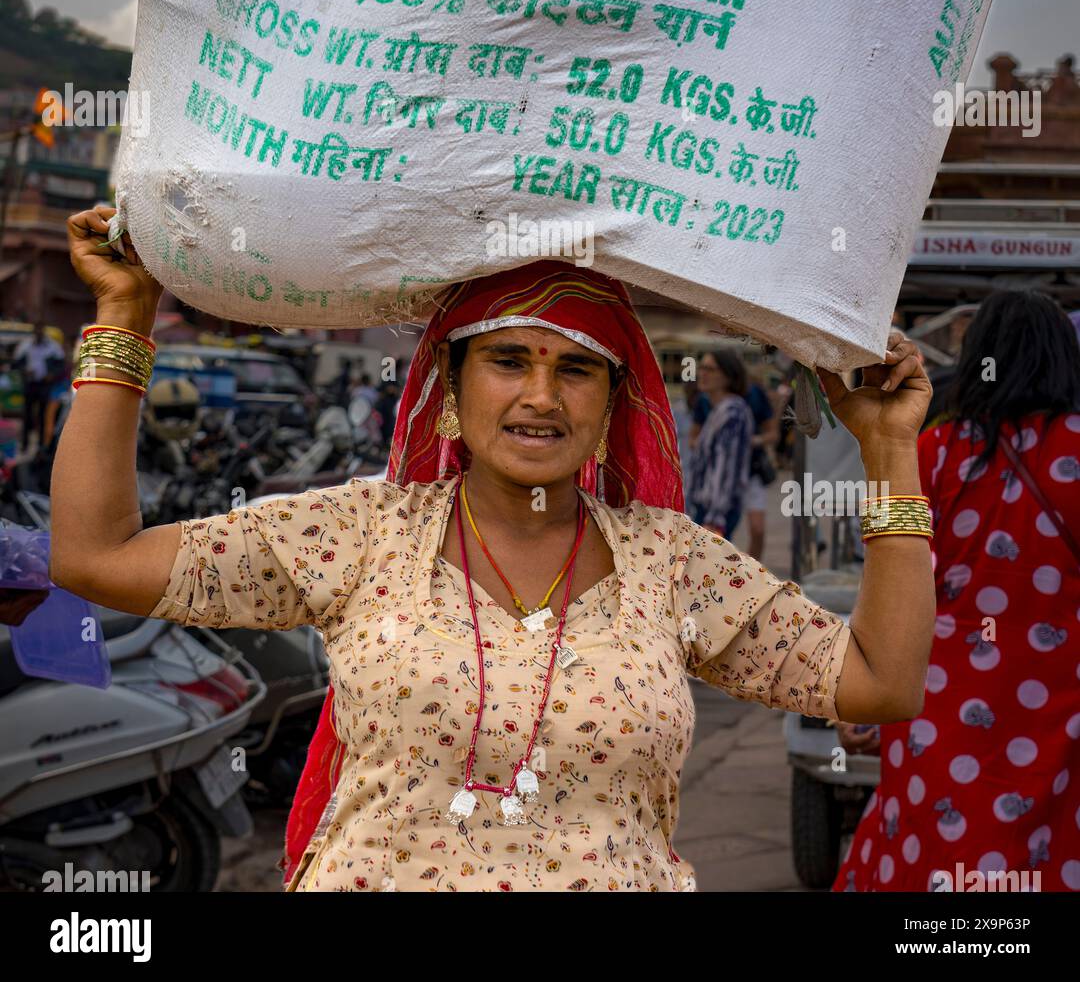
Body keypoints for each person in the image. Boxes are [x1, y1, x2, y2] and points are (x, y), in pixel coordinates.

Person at [52, 203, 937, 893]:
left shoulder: (673, 563)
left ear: (613, 400)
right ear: (450, 386)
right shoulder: (361, 534)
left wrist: (891, 453)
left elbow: (879, 682)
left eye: (576, 368)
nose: (541, 396)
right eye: (509, 360)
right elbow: (96, 557)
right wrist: (126, 315)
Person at [833, 289, 1080, 893]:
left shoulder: (933, 455)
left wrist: (862, 693)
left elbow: (891, 584)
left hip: (938, 705)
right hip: (1063, 706)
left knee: (939, 848)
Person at [687, 348, 756, 539]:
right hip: (705, 507)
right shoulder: (718, 410)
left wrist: (715, 518)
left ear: (728, 376)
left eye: (710, 369)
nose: (703, 373)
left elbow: (727, 470)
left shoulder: (733, 413)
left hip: (716, 512)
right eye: (702, 368)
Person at [13, 322, 65, 453]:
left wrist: (51, 374)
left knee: (42, 414)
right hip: (30, 383)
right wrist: (24, 371)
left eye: (40, 331)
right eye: (36, 331)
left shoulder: (52, 347)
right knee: (27, 414)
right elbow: (17, 363)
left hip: (44, 385)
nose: (38, 334)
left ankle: (41, 445)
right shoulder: (26, 345)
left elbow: (60, 364)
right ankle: (24, 444)